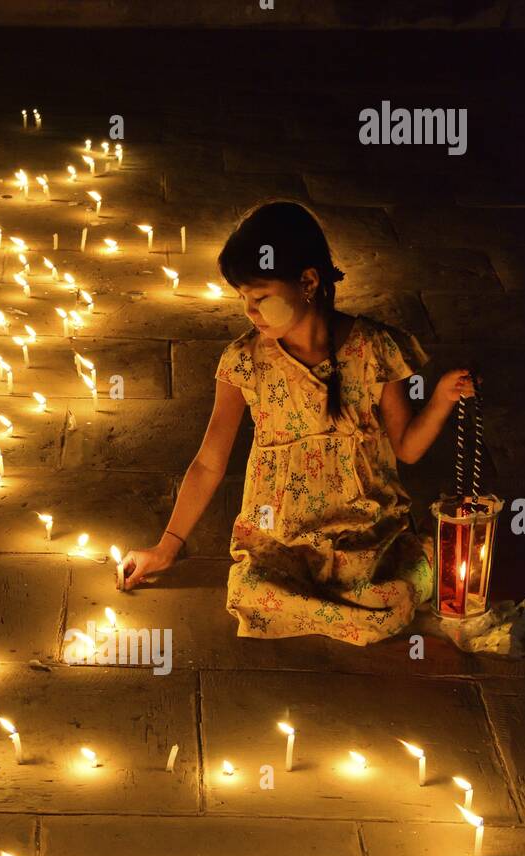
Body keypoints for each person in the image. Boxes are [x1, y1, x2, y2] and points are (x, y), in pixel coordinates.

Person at [121, 200, 476, 645]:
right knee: (254, 592)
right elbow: (210, 461)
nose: (249, 311)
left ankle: (403, 573)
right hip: (284, 537)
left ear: (307, 282)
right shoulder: (244, 362)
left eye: (261, 297)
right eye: (242, 299)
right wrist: (166, 547)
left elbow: (406, 447)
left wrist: (441, 398)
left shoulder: (374, 348)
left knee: (380, 593)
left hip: (366, 531)